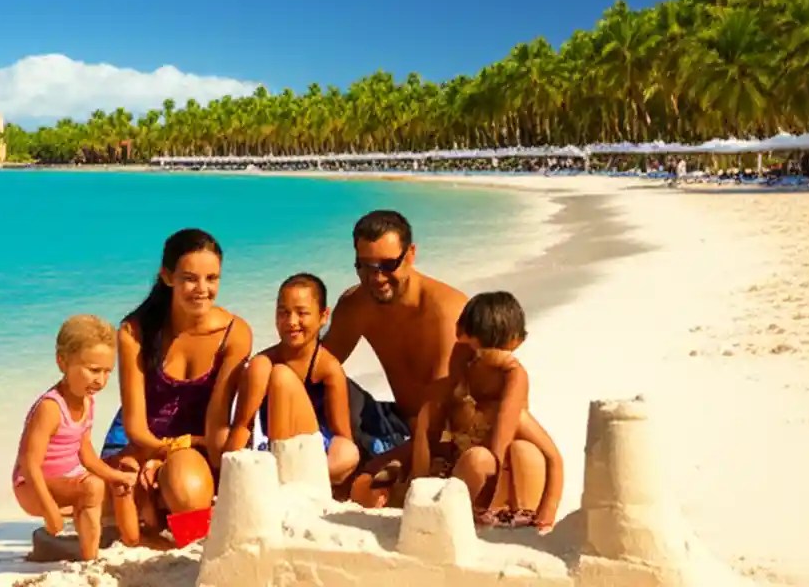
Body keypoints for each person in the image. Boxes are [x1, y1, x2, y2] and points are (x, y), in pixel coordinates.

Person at [322, 210, 520, 507]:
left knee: (369, 489)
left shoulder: (446, 311)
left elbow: (441, 417)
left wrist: (394, 465)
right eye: (364, 266)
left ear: (411, 254)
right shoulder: (357, 305)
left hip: (445, 437)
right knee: (313, 383)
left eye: (388, 265)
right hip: (399, 424)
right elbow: (317, 364)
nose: (376, 277)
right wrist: (256, 368)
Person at [100, 228, 253, 536]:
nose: (202, 289)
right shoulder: (135, 332)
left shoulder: (234, 334)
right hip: (138, 445)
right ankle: (153, 504)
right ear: (167, 277)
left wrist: (180, 450)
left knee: (187, 490)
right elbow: (135, 427)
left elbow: (216, 423)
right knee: (95, 496)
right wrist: (153, 456)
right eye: (189, 278)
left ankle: (174, 528)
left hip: (198, 447)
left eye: (212, 278)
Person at [411, 292, 563, 534]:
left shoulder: (513, 381)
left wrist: (548, 513)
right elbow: (429, 431)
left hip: (500, 488)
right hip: (470, 483)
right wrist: (419, 490)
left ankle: (524, 518)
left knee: (522, 452)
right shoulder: (461, 372)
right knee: (471, 453)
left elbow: (552, 458)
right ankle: (436, 507)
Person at [12, 315, 140, 560]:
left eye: (106, 372)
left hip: (65, 482)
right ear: (63, 362)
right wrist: (50, 510)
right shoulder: (50, 408)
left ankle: (89, 556)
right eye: (93, 370)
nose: (100, 380)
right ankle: (88, 556)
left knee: (103, 486)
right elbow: (29, 464)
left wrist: (116, 477)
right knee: (92, 486)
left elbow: (86, 454)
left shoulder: (87, 402)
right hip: (31, 486)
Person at [224, 273, 361, 486]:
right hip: (273, 449)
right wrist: (228, 476)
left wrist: (335, 464)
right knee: (268, 371)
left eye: (302, 313)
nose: (291, 322)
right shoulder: (263, 363)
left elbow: (342, 435)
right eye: (283, 312)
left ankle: (301, 481)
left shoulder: (327, 368)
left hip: (313, 450)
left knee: (347, 453)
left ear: (324, 316)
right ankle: (287, 479)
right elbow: (242, 426)